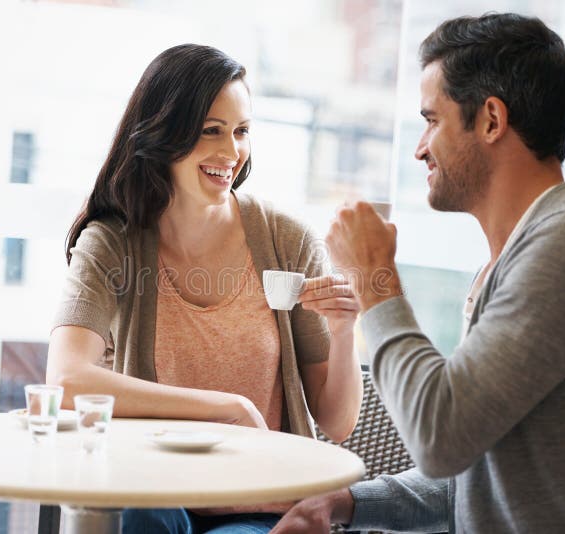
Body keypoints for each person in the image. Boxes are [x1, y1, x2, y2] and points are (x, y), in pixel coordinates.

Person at [272, 13, 565, 533]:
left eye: (433, 120)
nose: (420, 147)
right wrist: (345, 502)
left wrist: (375, 278)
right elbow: (474, 472)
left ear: (491, 120)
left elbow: (440, 438)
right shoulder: (520, 255)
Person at [45, 44, 364, 534]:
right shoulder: (112, 242)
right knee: (140, 515)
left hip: (256, 504)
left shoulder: (285, 241)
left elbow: (337, 422)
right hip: (152, 487)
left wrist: (344, 332)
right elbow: (66, 379)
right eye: (210, 131)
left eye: (241, 132)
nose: (231, 152)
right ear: (163, 133)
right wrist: (224, 407)